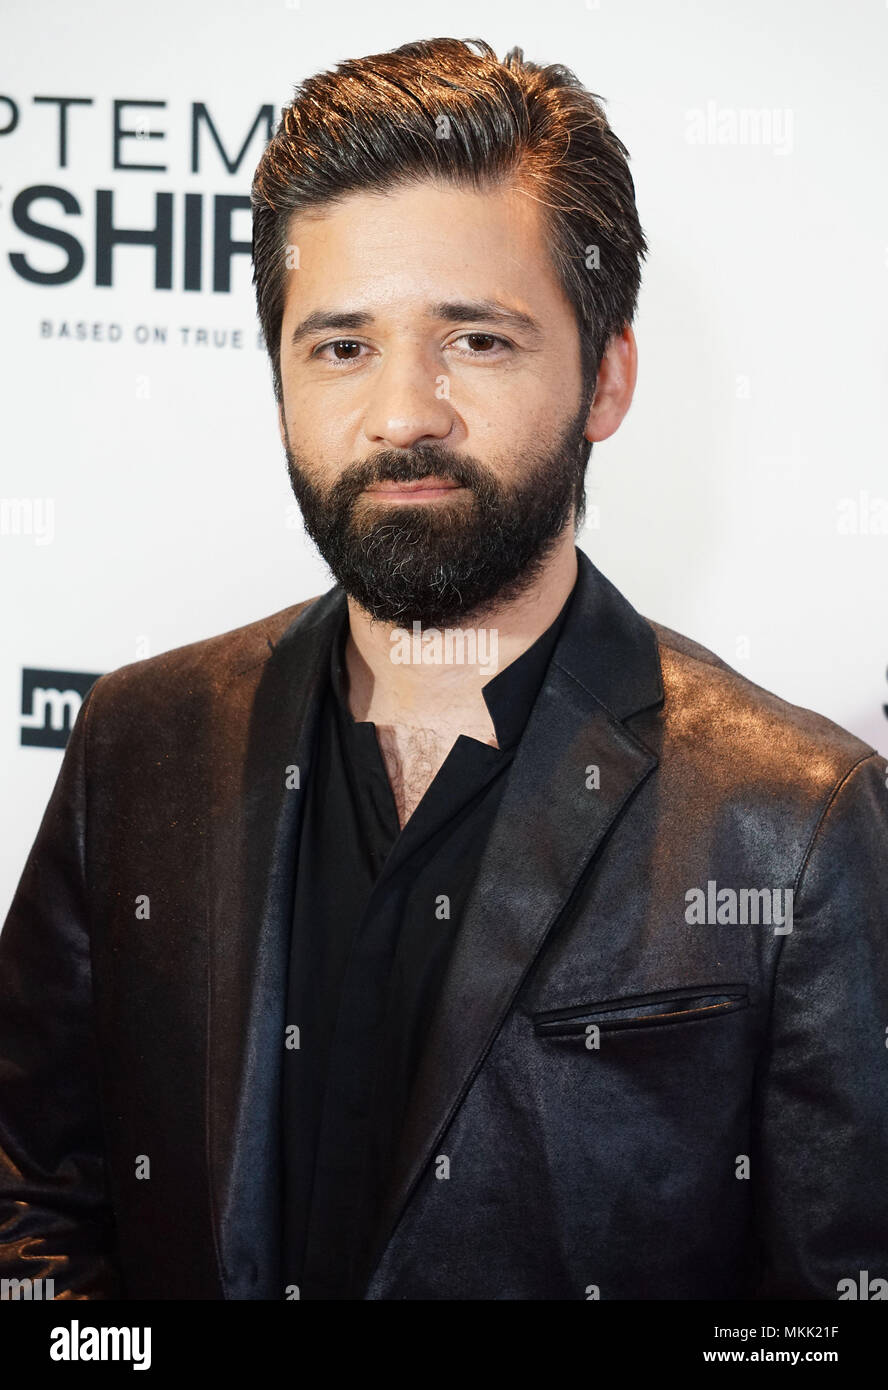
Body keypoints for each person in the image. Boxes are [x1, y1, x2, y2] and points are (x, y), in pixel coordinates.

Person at [1, 36, 886, 1302]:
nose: (403, 410)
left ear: (607, 377)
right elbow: (33, 1184)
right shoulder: (139, 742)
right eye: (341, 346)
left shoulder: (792, 820)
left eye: (474, 339)